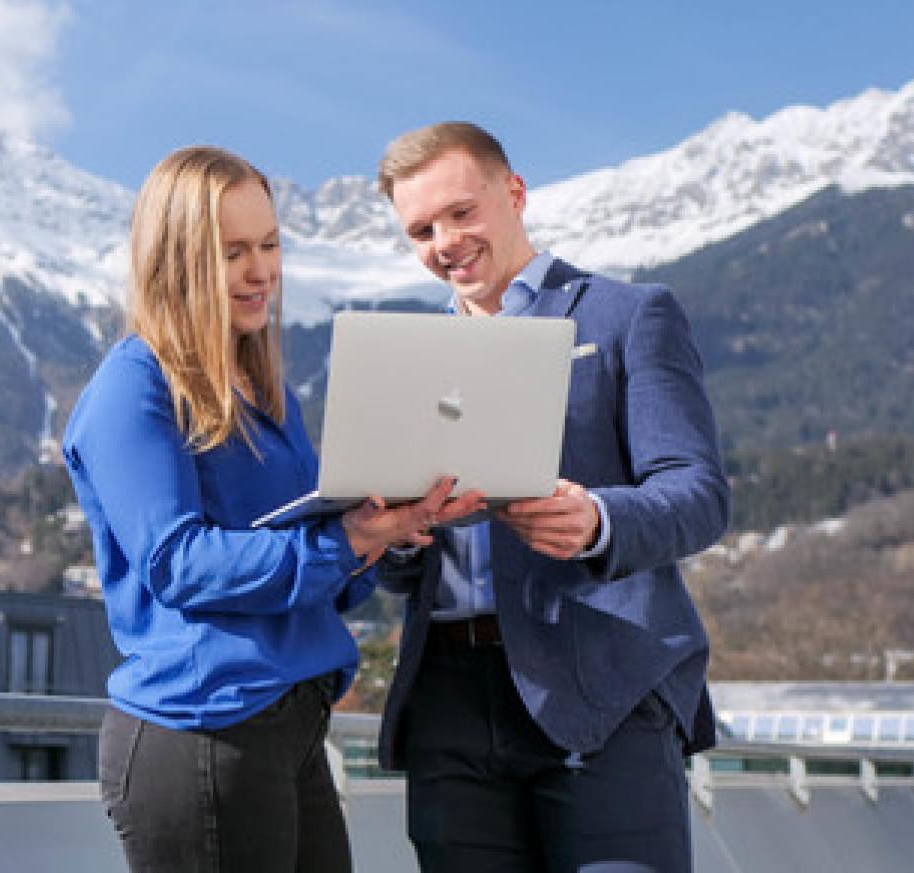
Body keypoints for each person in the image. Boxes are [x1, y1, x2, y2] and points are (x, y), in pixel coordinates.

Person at [64, 145, 484, 873]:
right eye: (232, 252)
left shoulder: (267, 391)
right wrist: (343, 541)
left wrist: (387, 531)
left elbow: (330, 570)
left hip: (289, 723)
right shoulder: (132, 387)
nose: (261, 271)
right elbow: (179, 564)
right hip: (202, 732)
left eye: (269, 244)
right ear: (178, 261)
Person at [372, 122, 729, 872]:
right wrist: (397, 532)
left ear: (515, 193)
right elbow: (397, 571)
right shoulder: (407, 364)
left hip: (605, 684)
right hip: (448, 701)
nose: (446, 240)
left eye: (461, 212)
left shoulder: (629, 315)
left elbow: (697, 492)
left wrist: (599, 520)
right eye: (422, 229)